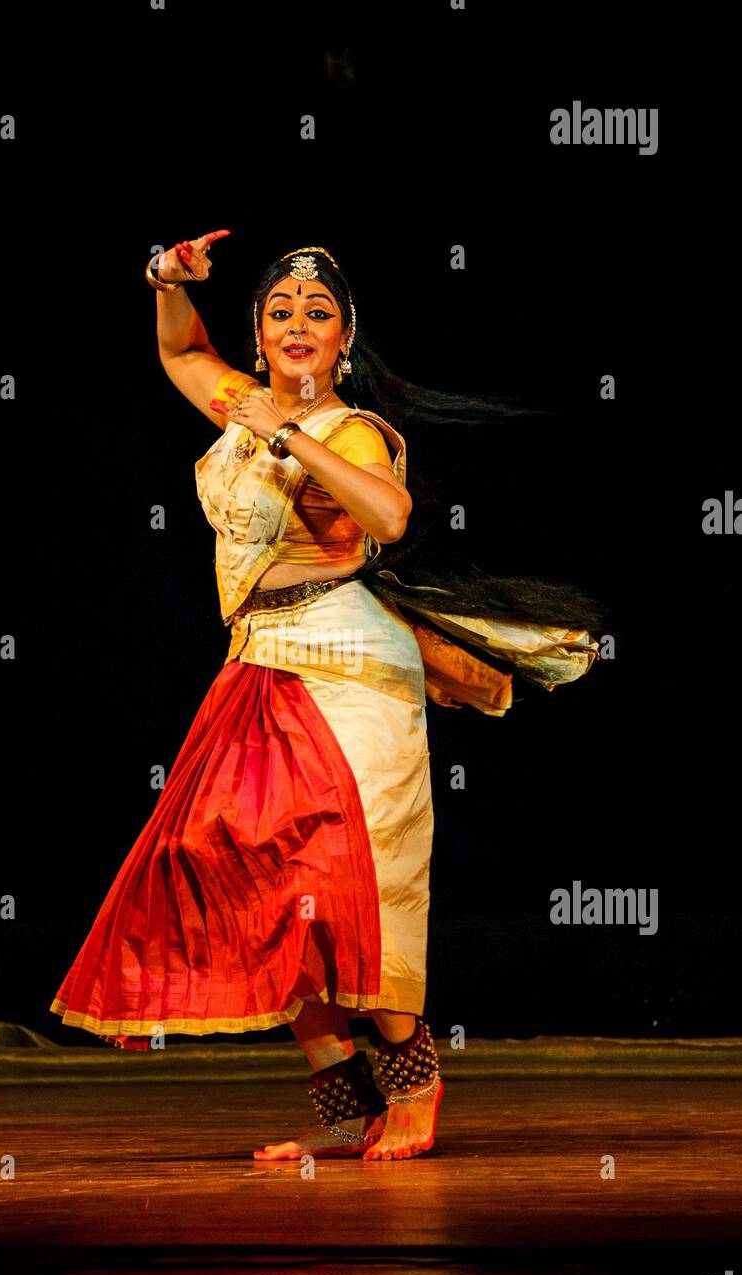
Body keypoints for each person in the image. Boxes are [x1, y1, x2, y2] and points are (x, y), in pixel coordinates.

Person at [50, 234, 602, 1161]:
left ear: (345, 340)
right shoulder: (241, 402)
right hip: (259, 666)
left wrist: (286, 431)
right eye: (279, 312)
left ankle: (415, 1087)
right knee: (229, 875)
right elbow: (182, 353)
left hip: (351, 668)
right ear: (258, 336)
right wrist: (163, 280)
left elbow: (389, 517)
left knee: (342, 885)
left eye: (318, 313)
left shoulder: (349, 430)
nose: (297, 324)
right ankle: (347, 1105)